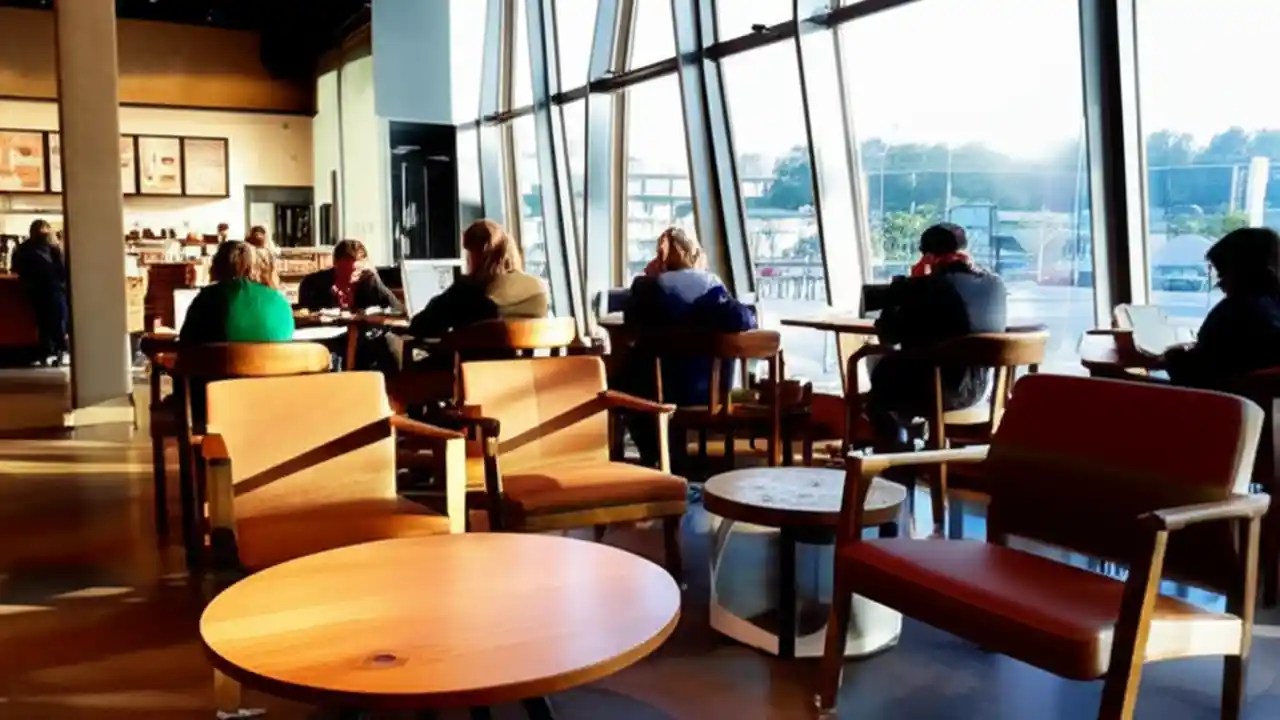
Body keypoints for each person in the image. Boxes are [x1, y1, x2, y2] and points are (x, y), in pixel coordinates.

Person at [621, 227, 756, 465]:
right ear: (697, 255)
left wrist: (648, 278)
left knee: (626, 377)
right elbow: (744, 320)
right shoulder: (713, 291)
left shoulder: (648, 291)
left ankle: (655, 457)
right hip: (710, 393)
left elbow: (630, 326)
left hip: (658, 392)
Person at [866, 223, 1007, 449]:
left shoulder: (930, 287)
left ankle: (899, 455)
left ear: (929, 258)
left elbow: (889, 334)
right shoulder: (996, 284)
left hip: (938, 392)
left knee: (880, 381)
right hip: (984, 392)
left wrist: (907, 286)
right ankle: (924, 446)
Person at [1166, 227, 1280, 388]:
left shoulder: (1236, 311)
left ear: (1242, 271)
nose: (1219, 283)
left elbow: (1204, 372)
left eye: (1222, 273)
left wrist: (1173, 357)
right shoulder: (1271, 307)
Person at [408, 220, 549, 337]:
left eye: (468, 254)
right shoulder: (537, 291)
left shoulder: (465, 294)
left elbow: (420, 326)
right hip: (525, 363)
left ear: (476, 255)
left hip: (470, 363)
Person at [180, 241, 294, 345]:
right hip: (273, 361)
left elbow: (186, 342)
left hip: (217, 361)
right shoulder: (279, 301)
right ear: (254, 268)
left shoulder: (207, 298)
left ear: (216, 266)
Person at [11, 219, 69, 366]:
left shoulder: (24, 249)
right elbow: (62, 270)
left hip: (37, 290)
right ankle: (57, 349)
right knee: (57, 318)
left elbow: (16, 268)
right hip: (49, 290)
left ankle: (49, 350)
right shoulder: (51, 249)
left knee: (45, 322)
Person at [298, 239, 402, 314]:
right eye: (344, 271)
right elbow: (304, 315)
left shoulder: (369, 283)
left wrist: (375, 278)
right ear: (335, 264)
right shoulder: (312, 284)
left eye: (355, 273)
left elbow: (397, 309)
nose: (349, 278)